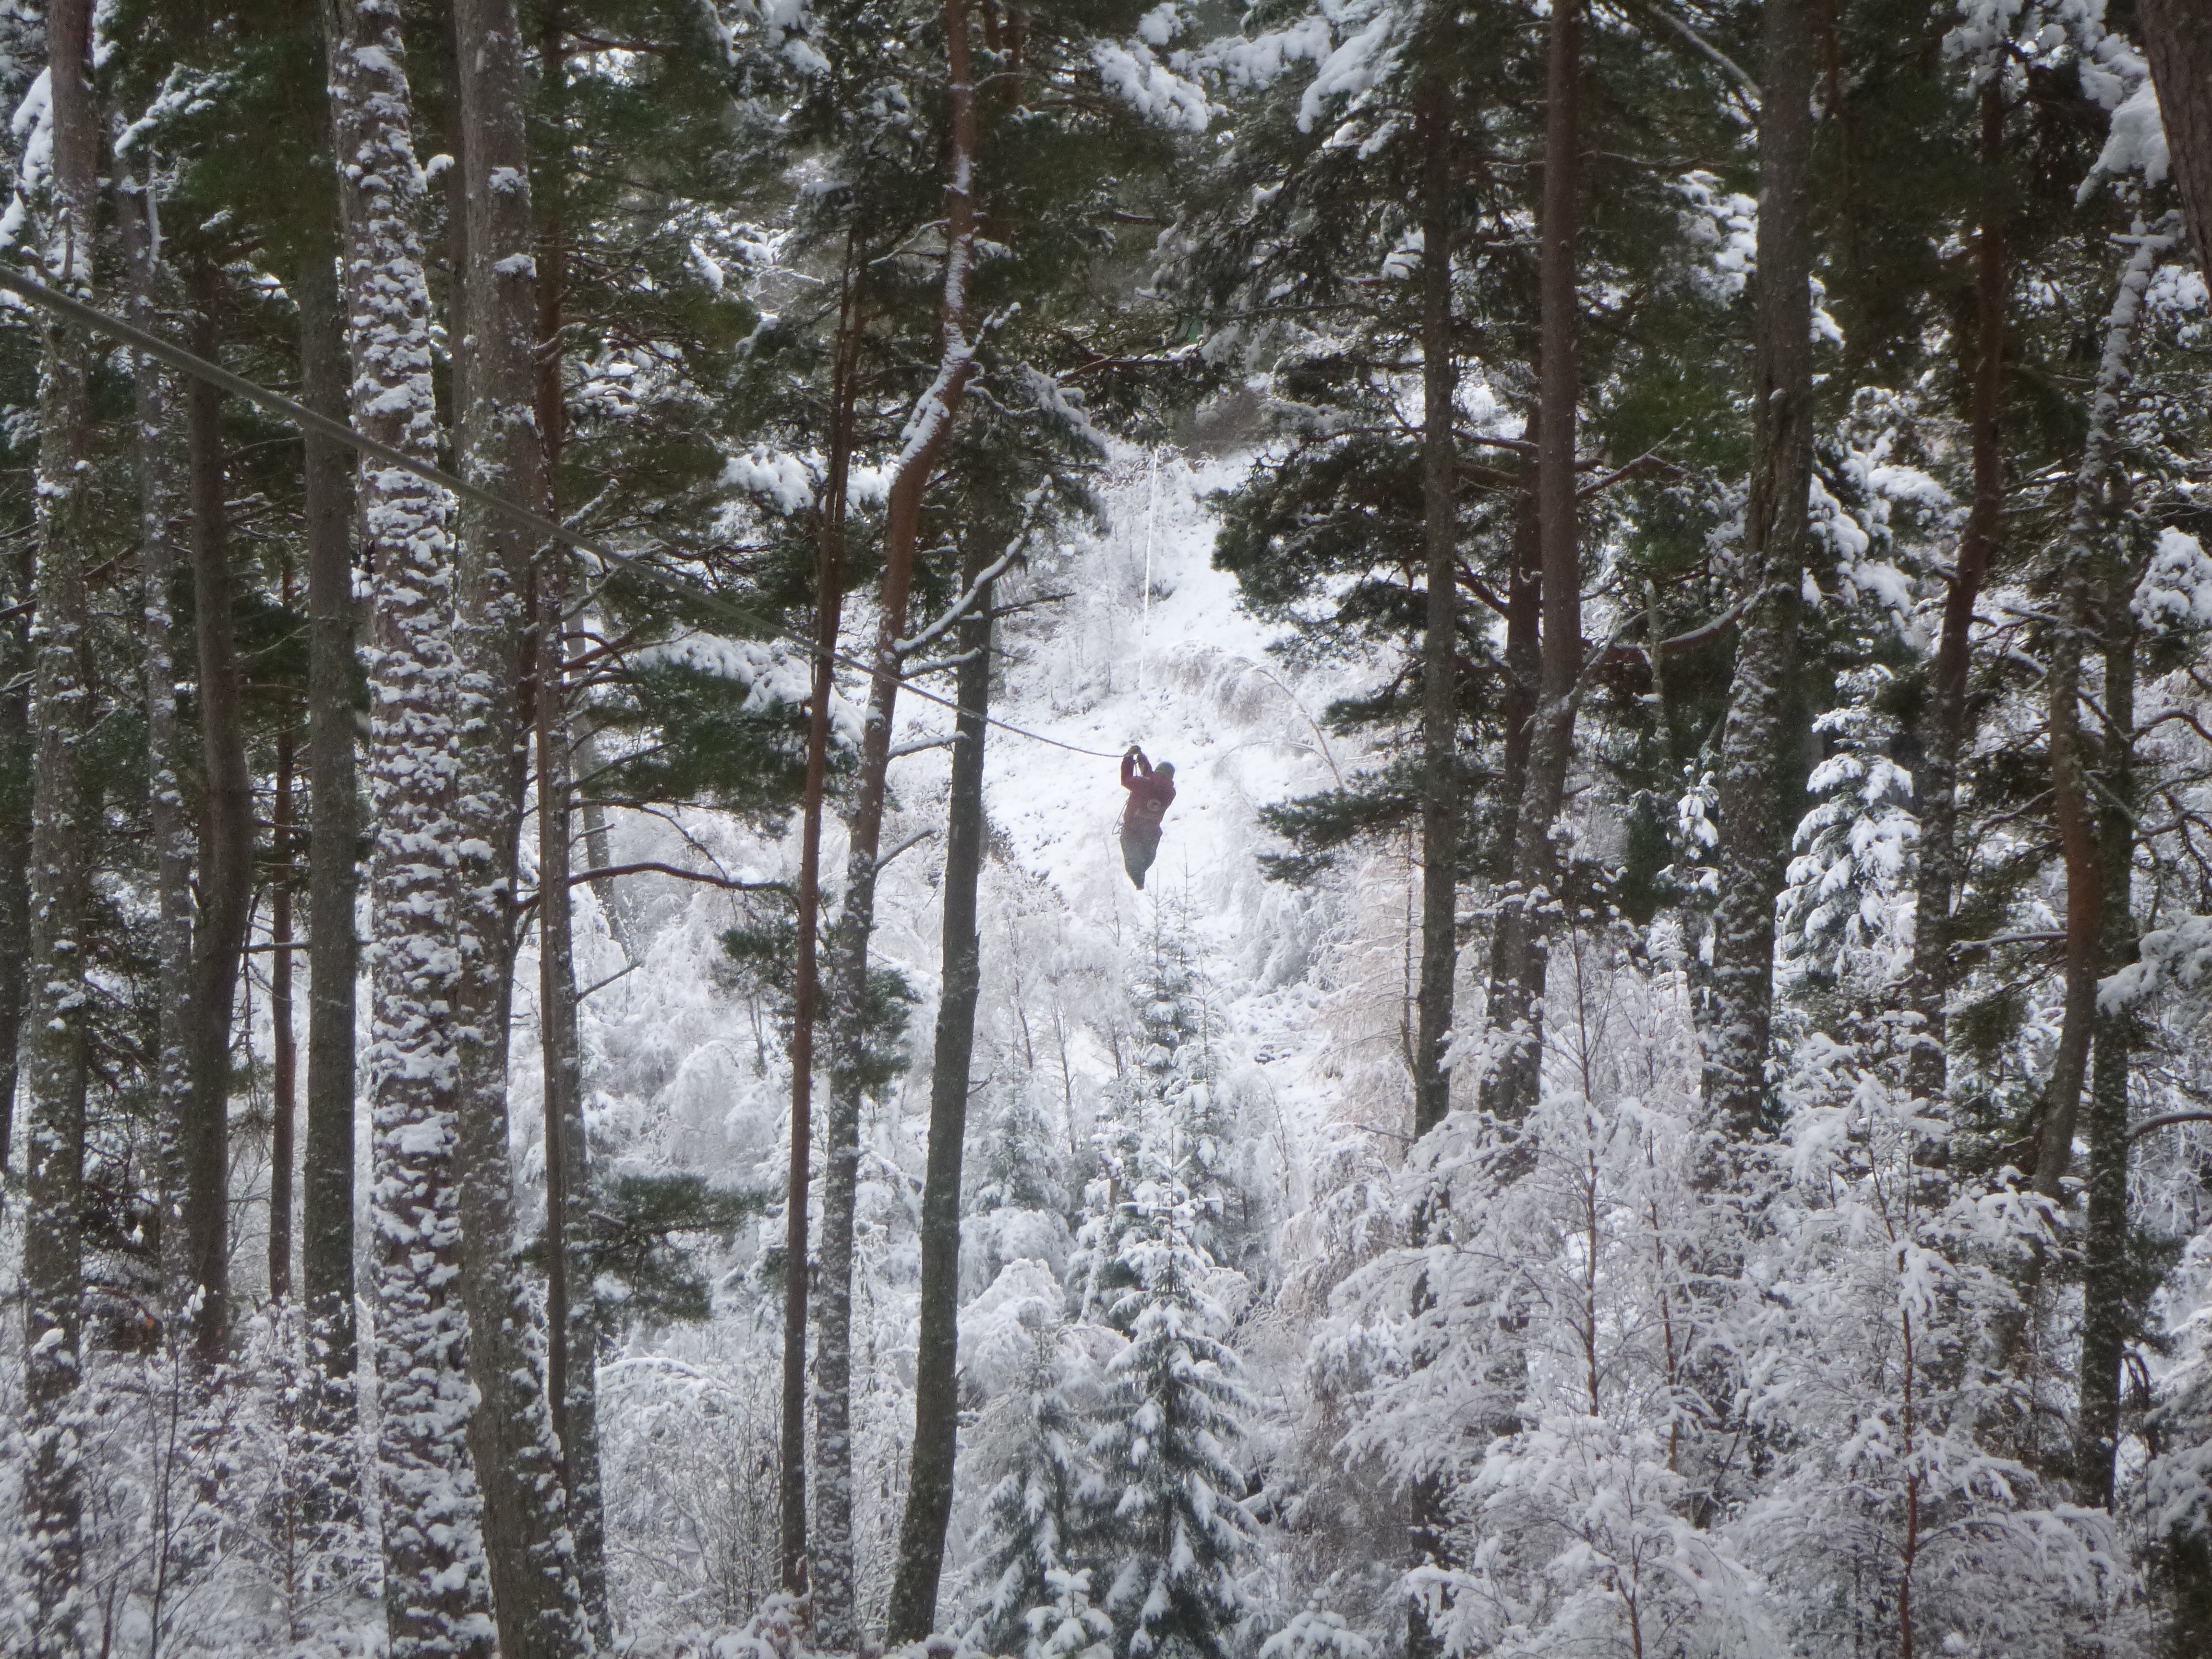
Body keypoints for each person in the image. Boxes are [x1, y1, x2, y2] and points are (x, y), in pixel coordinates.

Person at [1119, 745, 1176, 890]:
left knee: (1133, 861)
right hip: (1151, 833)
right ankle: (1140, 882)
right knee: (1144, 860)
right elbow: (1152, 778)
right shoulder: (1171, 793)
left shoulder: (1145, 783)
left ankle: (1138, 883)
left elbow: (1126, 780)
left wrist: (1128, 759)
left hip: (1133, 830)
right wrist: (1142, 758)